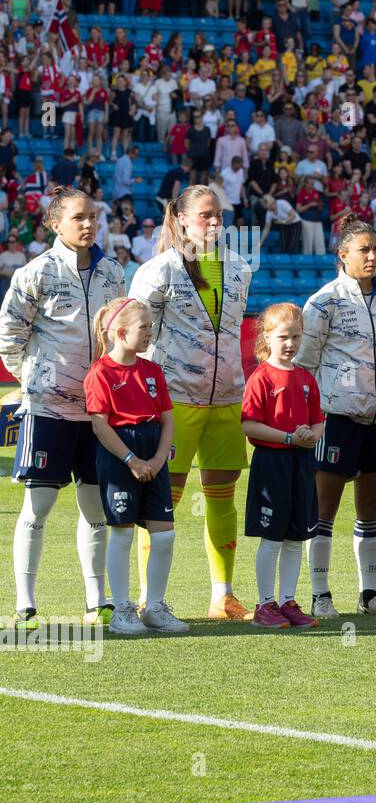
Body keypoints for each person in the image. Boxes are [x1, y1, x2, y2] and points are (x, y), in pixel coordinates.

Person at [130, 185, 254, 621]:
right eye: (205, 215)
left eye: (218, 215)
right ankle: (150, 597)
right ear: (181, 218)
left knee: (223, 498)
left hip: (225, 400)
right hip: (173, 402)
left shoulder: (239, 268)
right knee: (164, 502)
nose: (215, 222)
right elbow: (138, 340)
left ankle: (223, 595)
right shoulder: (157, 271)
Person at [0, 187, 121, 630]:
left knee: (96, 507)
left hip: (97, 413)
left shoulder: (112, 272)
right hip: (47, 411)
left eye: (93, 216)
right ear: (55, 224)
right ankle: (26, 605)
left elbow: (119, 336)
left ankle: (98, 600)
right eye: (78, 217)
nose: (88, 224)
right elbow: (10, 334)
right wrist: (36, 382)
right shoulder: (35, 273)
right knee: (39, 506)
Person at [296, 213, 376, 619]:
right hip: (336, 418)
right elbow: (304, 367)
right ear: (343, 254)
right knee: (324, 509)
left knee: (371, 511)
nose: (373, 255)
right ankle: (320, 594)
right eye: (364, 249)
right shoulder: (323, 303)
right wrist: (309, 419)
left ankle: (369, 593)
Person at [84, 296, 182, 633]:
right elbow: (100, 424)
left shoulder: (153, 370)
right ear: (120, 332)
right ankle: (122, 608)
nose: (149, 333)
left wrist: (155, 459)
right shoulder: (100, 373)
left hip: (153, 454)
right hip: (119, 456)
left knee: (165, 536)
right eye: (144, 328)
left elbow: (168, 420)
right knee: (122, 533)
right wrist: (131, 460)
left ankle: (154, 606)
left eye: (151, 327)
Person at [241, 303, 325, 629]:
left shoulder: (306, 378)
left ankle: (288, 601)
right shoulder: (260, 378)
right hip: (272, 463)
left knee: (295, 537)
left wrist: (310, 436)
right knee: (273, 537)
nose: (290, 343)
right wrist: (289, 438)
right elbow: (249, 426)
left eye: (296, 336)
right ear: (267, 337)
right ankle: (265, 604)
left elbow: (318, 422)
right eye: (283, 337)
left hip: (301, 462)